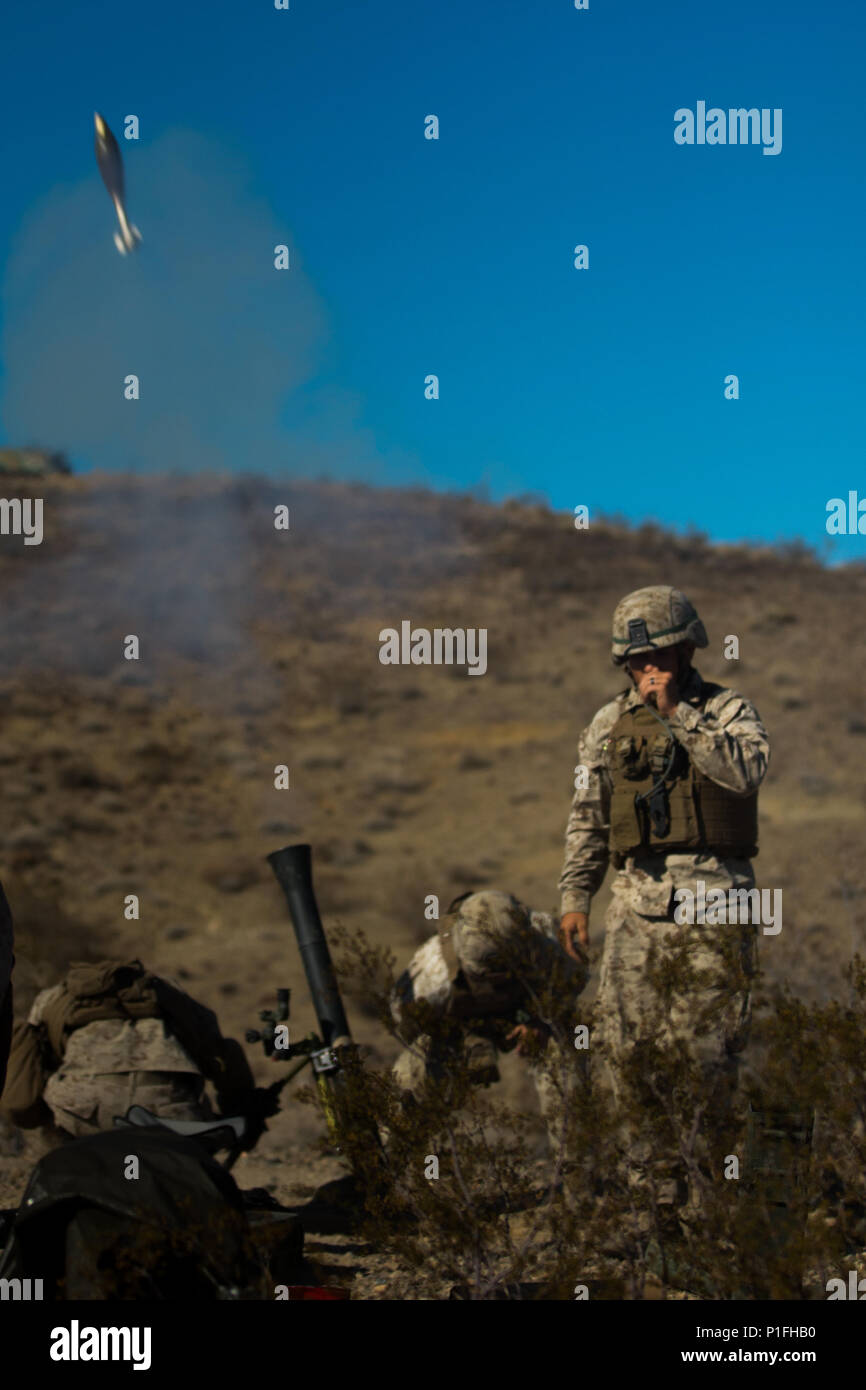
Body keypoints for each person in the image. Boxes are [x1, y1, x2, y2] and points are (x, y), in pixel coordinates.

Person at [558, 586, 769, 1224]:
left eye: (658, 656)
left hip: (714, 901)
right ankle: (651, 1209)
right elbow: (587, 814)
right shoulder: (605, 725)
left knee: (703, 1055)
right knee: (627, 1055)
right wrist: (575, 895)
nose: (645, 670)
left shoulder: (728, 709)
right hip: (634, 906)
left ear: (685, 651)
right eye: (634, 661)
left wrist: (678, 714)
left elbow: (745, 773)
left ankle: (711, 1205)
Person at [0, 958, 272, 1143]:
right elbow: (222, 1056)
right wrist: (243, 1115)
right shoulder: (169, 994)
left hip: (81, 1113)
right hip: (169, 1109)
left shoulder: (52, 999)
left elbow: (23, 1090)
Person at [391, 890, 588, 1141]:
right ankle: (397, 1162)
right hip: (458, 1024)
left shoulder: (544, 934)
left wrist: (540, 1022)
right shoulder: (432, 976)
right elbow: (404, 1024)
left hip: (533, 1011)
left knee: (572, 1048)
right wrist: (465, 1040)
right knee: (412, 1076)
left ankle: (577, 1167)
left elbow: (575, 978)